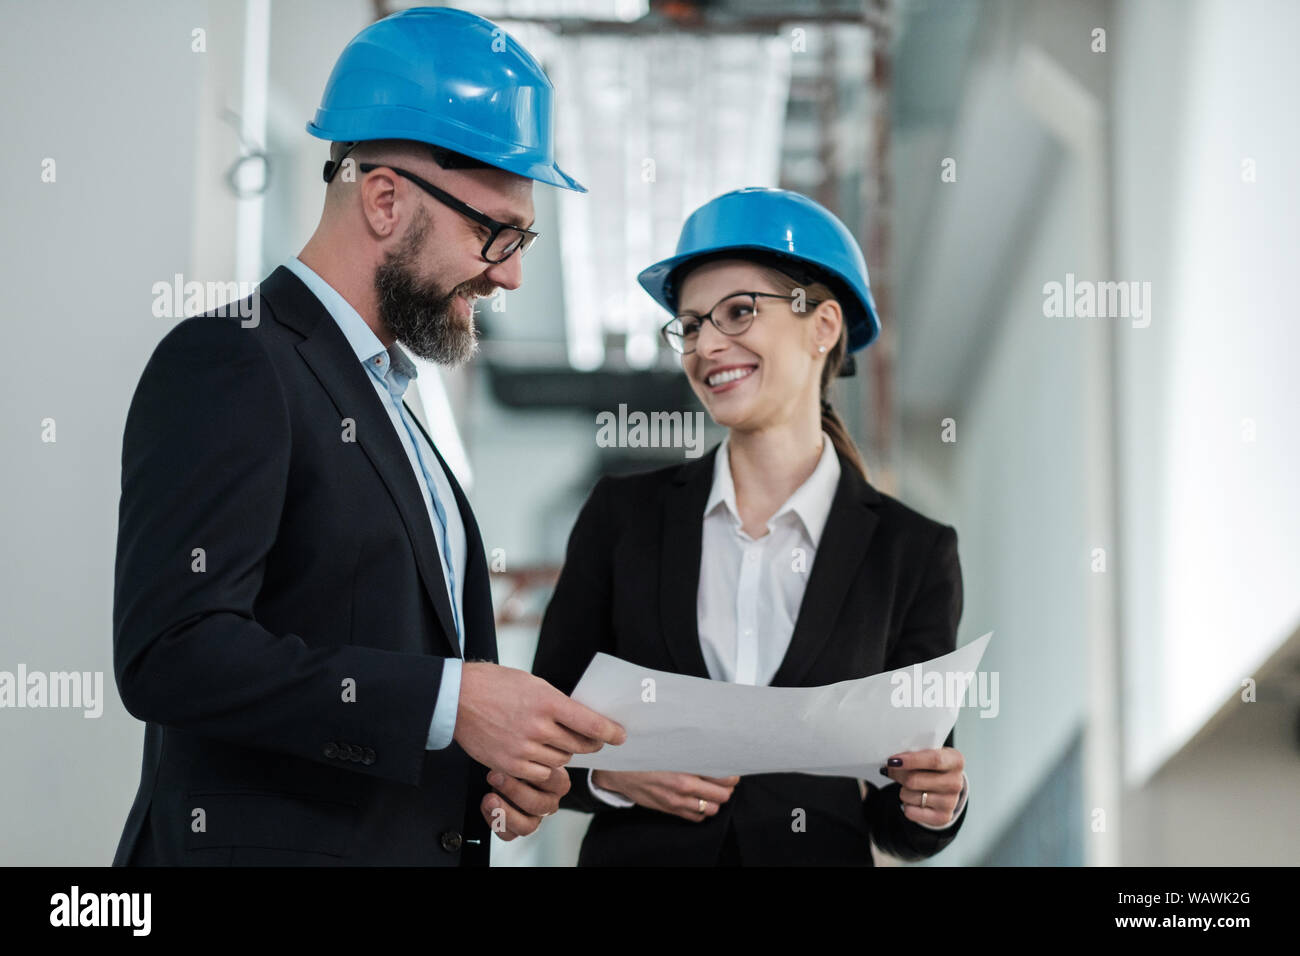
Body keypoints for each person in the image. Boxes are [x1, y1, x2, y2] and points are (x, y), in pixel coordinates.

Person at [111, 7, 623, 867]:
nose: (511, 273)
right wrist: (453, 702)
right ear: (385, 199)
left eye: (521, 238)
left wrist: (492, 762)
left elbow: (380, 682)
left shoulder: (392, 404)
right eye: (494, 233)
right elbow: (173, 652)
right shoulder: (235, 361)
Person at [532, 187, 970, 866]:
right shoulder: (624, 516)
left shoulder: (912, 552)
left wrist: (936, 802)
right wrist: (611, 776)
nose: (707, 344)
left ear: (823, 326)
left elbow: (901, 810)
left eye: (738, 312)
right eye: (690, 325)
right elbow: (546, 730)